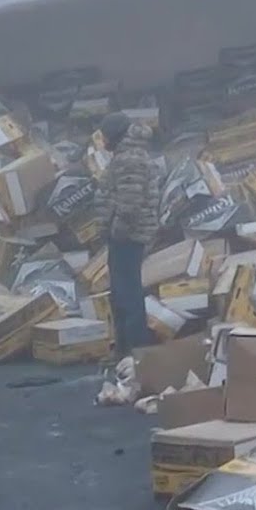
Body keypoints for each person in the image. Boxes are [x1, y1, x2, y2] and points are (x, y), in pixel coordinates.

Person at [93, 113, 161, 358]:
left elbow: (130, 203)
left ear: (114, 135)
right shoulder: (127, 155)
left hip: (128, 236)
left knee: (128, 295)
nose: (102, 141)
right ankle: (124, 351)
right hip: (126, 235)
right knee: (122, 293)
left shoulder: (129, 159)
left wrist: (116, 232)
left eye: (104, 136)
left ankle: (136, 354)